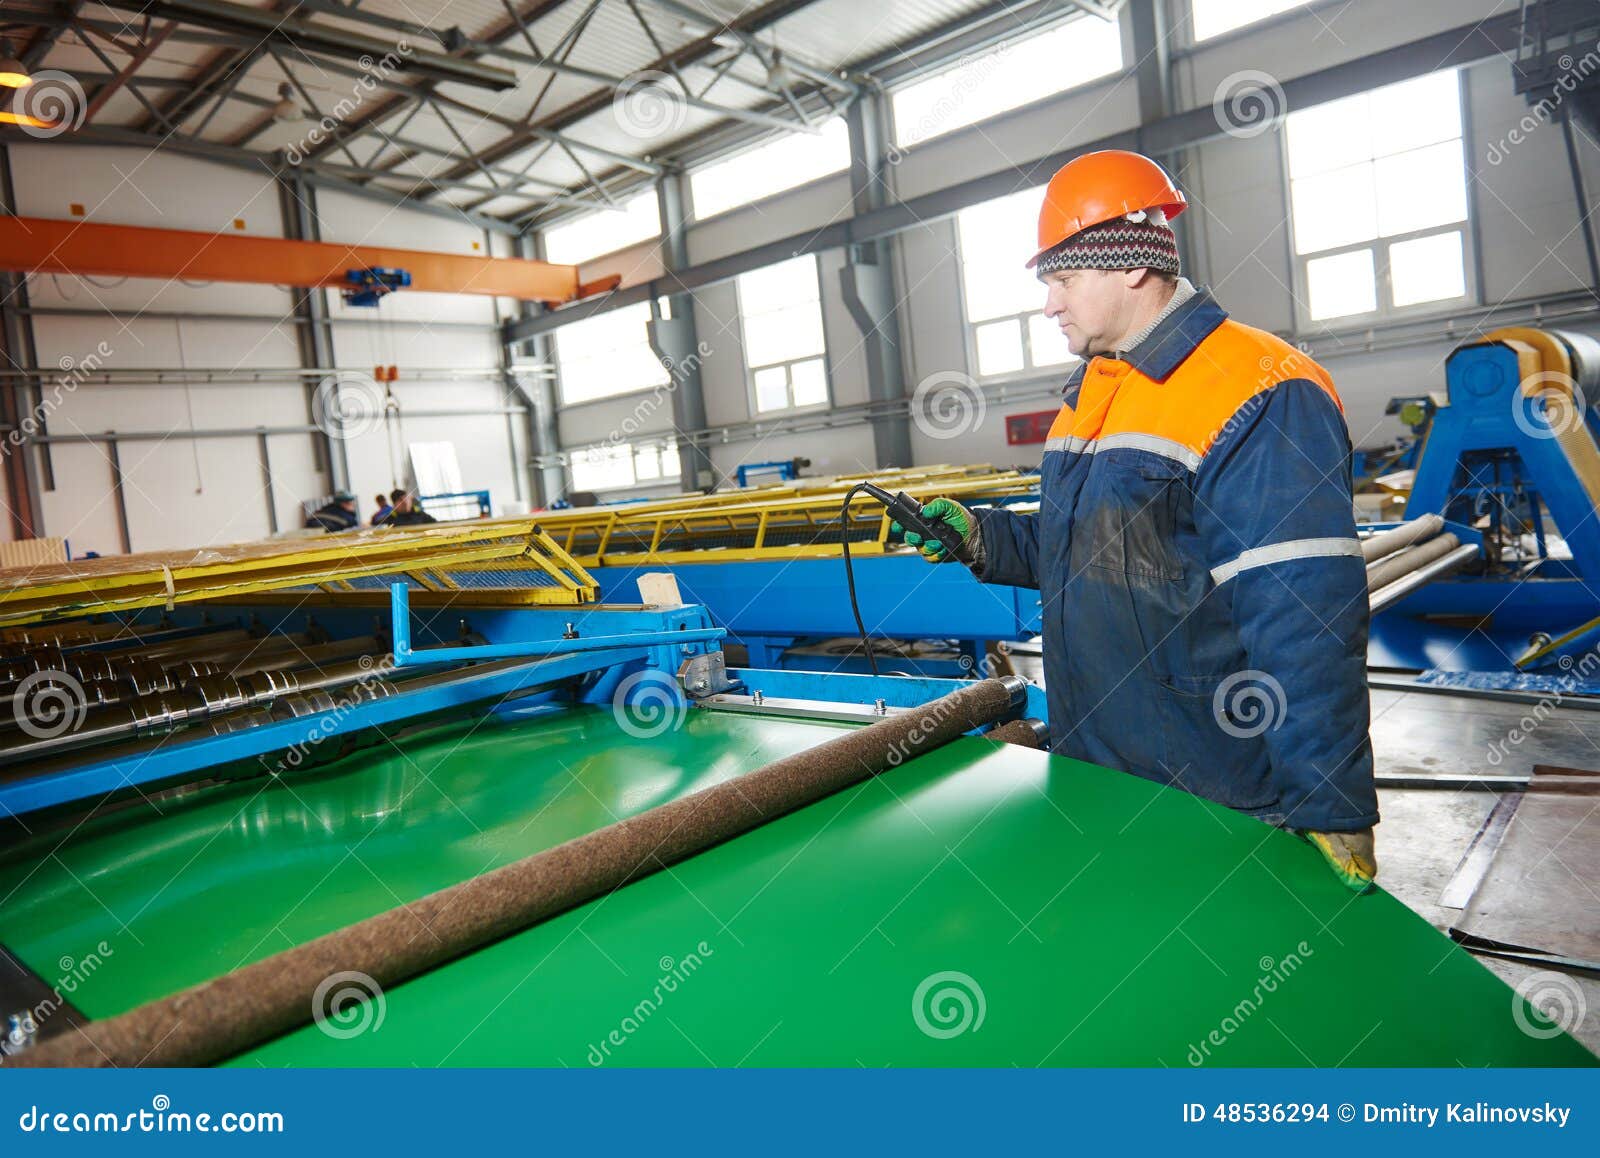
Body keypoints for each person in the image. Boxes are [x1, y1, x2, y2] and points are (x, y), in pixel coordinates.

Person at [898, 151, 1378, 892]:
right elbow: (1087, 550)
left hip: (1212, 788)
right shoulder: (1095, 391)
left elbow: (1303, 612)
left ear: (1129, 265)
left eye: (1061, 280)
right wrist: (979, 534)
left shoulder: (1256, 387)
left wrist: (1328, 799)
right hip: (1095, 767)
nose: (1049, 306)